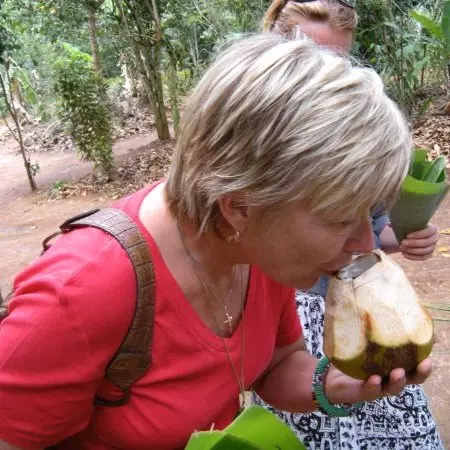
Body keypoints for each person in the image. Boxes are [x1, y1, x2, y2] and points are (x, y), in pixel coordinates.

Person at [0, 33, 430, 450]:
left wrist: (335, 382)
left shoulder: (257, 247)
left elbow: (277, 365)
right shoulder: (78, 293)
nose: (363, 241)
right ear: (240, 205)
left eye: (368, 213)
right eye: (339, 218)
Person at [252, 1, 443, 449]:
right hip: (296, 313)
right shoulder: (257, 145)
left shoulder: (362, 138)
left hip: (362, 302)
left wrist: (404, 237)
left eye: (338, 62)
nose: (325, 78)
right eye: (307, 60)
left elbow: (371, 232)